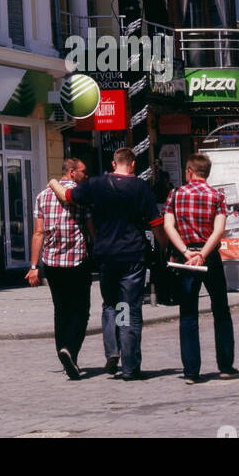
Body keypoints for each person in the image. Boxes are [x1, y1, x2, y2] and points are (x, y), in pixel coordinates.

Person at [49, 146, 160, 379]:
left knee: (111, 305)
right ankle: (129, 366)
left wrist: (52, 182)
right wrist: (165, 249)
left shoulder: (96, 184)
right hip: (132, 255)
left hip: (106, 256)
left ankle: (112, 351)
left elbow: (67, 196)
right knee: (128, 309)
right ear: (132, 165)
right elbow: (156, 223)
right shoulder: (140, 187)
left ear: (113, 164)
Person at [162, 153, 237, 384]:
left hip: (186, 258)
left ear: (189, 171)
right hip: (209, 256)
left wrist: (186, 252)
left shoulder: (175, 194)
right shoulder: (217, 196)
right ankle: (225, 365)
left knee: (188, 313)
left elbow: (168, 226)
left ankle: (191, 372)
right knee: (221, 309)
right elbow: (219, 230)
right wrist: (203, 254)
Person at [27, 156, 91, 379]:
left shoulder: (42, 196)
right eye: (83, 171)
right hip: (77, 260)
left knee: (61, 309)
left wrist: (34, 266)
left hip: (52, 263)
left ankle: (63, 354)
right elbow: (91, 227)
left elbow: (38, 233)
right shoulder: (83, 195)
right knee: (81, 310)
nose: (86, 175)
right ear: (72, 172)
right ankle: (70, 351)